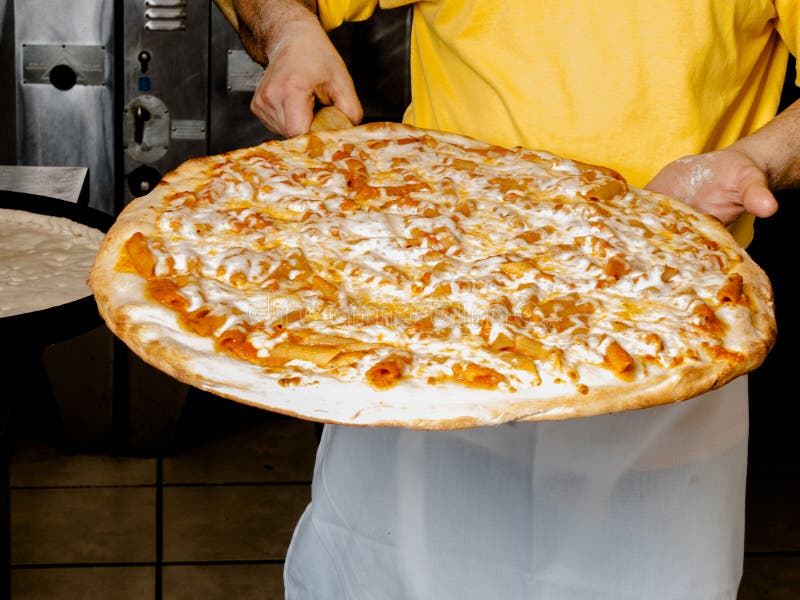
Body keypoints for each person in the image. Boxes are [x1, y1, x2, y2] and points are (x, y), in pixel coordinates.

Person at [232, 1, 799, 598]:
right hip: (426, 323)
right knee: (385, 578)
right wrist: (291, 31)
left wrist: (757, 158)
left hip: (665, 328)